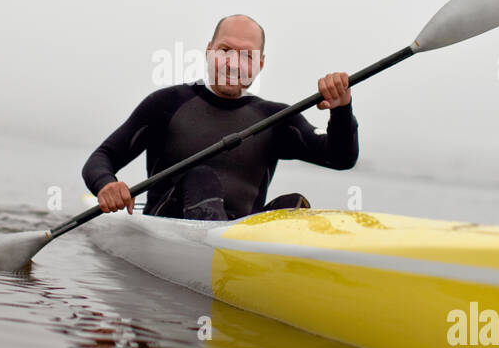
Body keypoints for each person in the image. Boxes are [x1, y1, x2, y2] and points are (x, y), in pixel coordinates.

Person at [82, 14, 358, 220]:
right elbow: (101, 158)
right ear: (209, 51)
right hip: (170, 231)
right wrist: (107, 185)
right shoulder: (167, 104)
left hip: (238, 241)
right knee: (201, 176)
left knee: (294, 205)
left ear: (260, 64)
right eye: (225, 51)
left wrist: (341, 108)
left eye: (246, 56)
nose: (234, 64)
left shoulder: (275, 118)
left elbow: (340, 158)